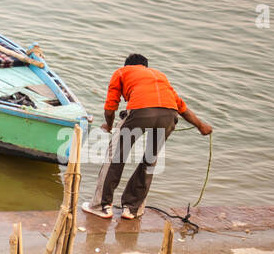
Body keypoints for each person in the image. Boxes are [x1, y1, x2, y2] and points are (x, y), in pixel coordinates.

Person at [83, 54, 212, 220]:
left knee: (116, 156)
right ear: (146, 66)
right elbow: (182, 107)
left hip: (141, 112)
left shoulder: (122, 72)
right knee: (150, 159)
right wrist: (201, 126)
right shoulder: (159, 76)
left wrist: (108, 125)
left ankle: (102, 206)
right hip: (169, 115)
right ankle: (131, 209)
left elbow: (110, 107)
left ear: (127, 65)